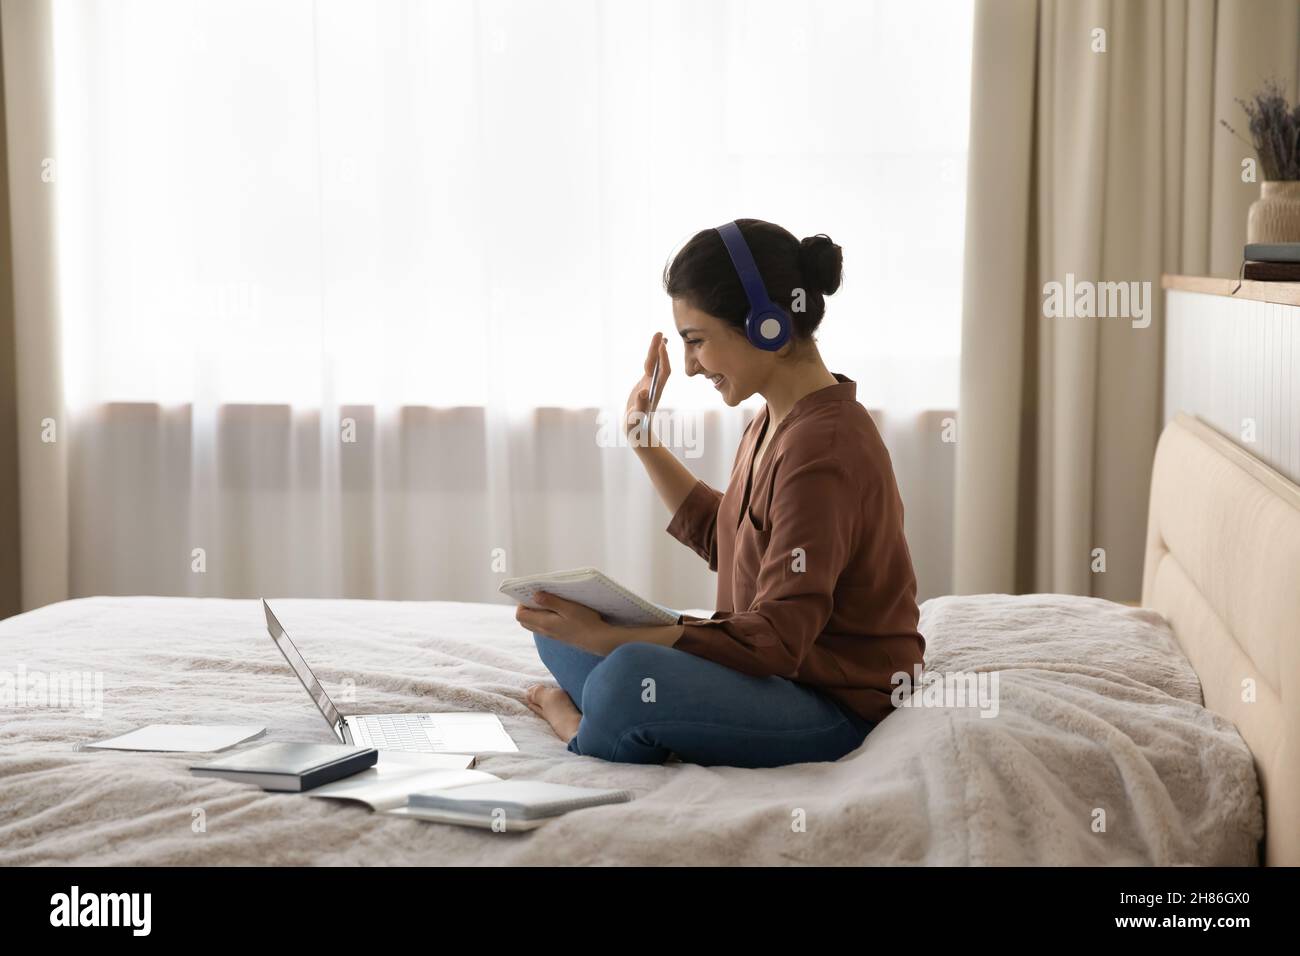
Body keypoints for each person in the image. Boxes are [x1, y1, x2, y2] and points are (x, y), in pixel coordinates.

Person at [518, 218, 925, 768]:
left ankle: (578, 723)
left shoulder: (823, 448)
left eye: (697, 341)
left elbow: (777, 639)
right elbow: (729, 534)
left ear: (767, 327)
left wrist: (616, 643)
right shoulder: (773, 420)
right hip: (771, 668)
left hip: (832, 701)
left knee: (624, 676)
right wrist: (643, 440)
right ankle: (623, 710)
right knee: (556, 619)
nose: (687, 367)